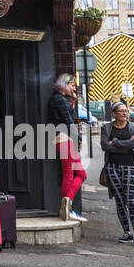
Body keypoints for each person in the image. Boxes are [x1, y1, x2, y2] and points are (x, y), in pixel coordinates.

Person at [100, 100, 134, 247]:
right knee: (120, 200)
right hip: (112, 167)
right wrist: (124, 145)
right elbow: (105, 146)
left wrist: (116, 142)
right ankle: (127, 232)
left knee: (131, 200)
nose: (125, 113)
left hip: (131, 167)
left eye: (126, 110)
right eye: (121, 111)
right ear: (114, 114)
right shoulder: (106, 128)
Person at [47, 72, 87, 222]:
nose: (74, 88)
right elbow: (70, 123)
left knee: (80, 175)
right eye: (72, 85)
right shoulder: (60, 100)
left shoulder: (61, 100)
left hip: (62, 139)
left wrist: (73, 102)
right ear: (64, 84)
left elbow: (68, 116)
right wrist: (79, 139)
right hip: (64, 139)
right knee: (69, 174)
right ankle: (67, 207)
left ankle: (67, 204)